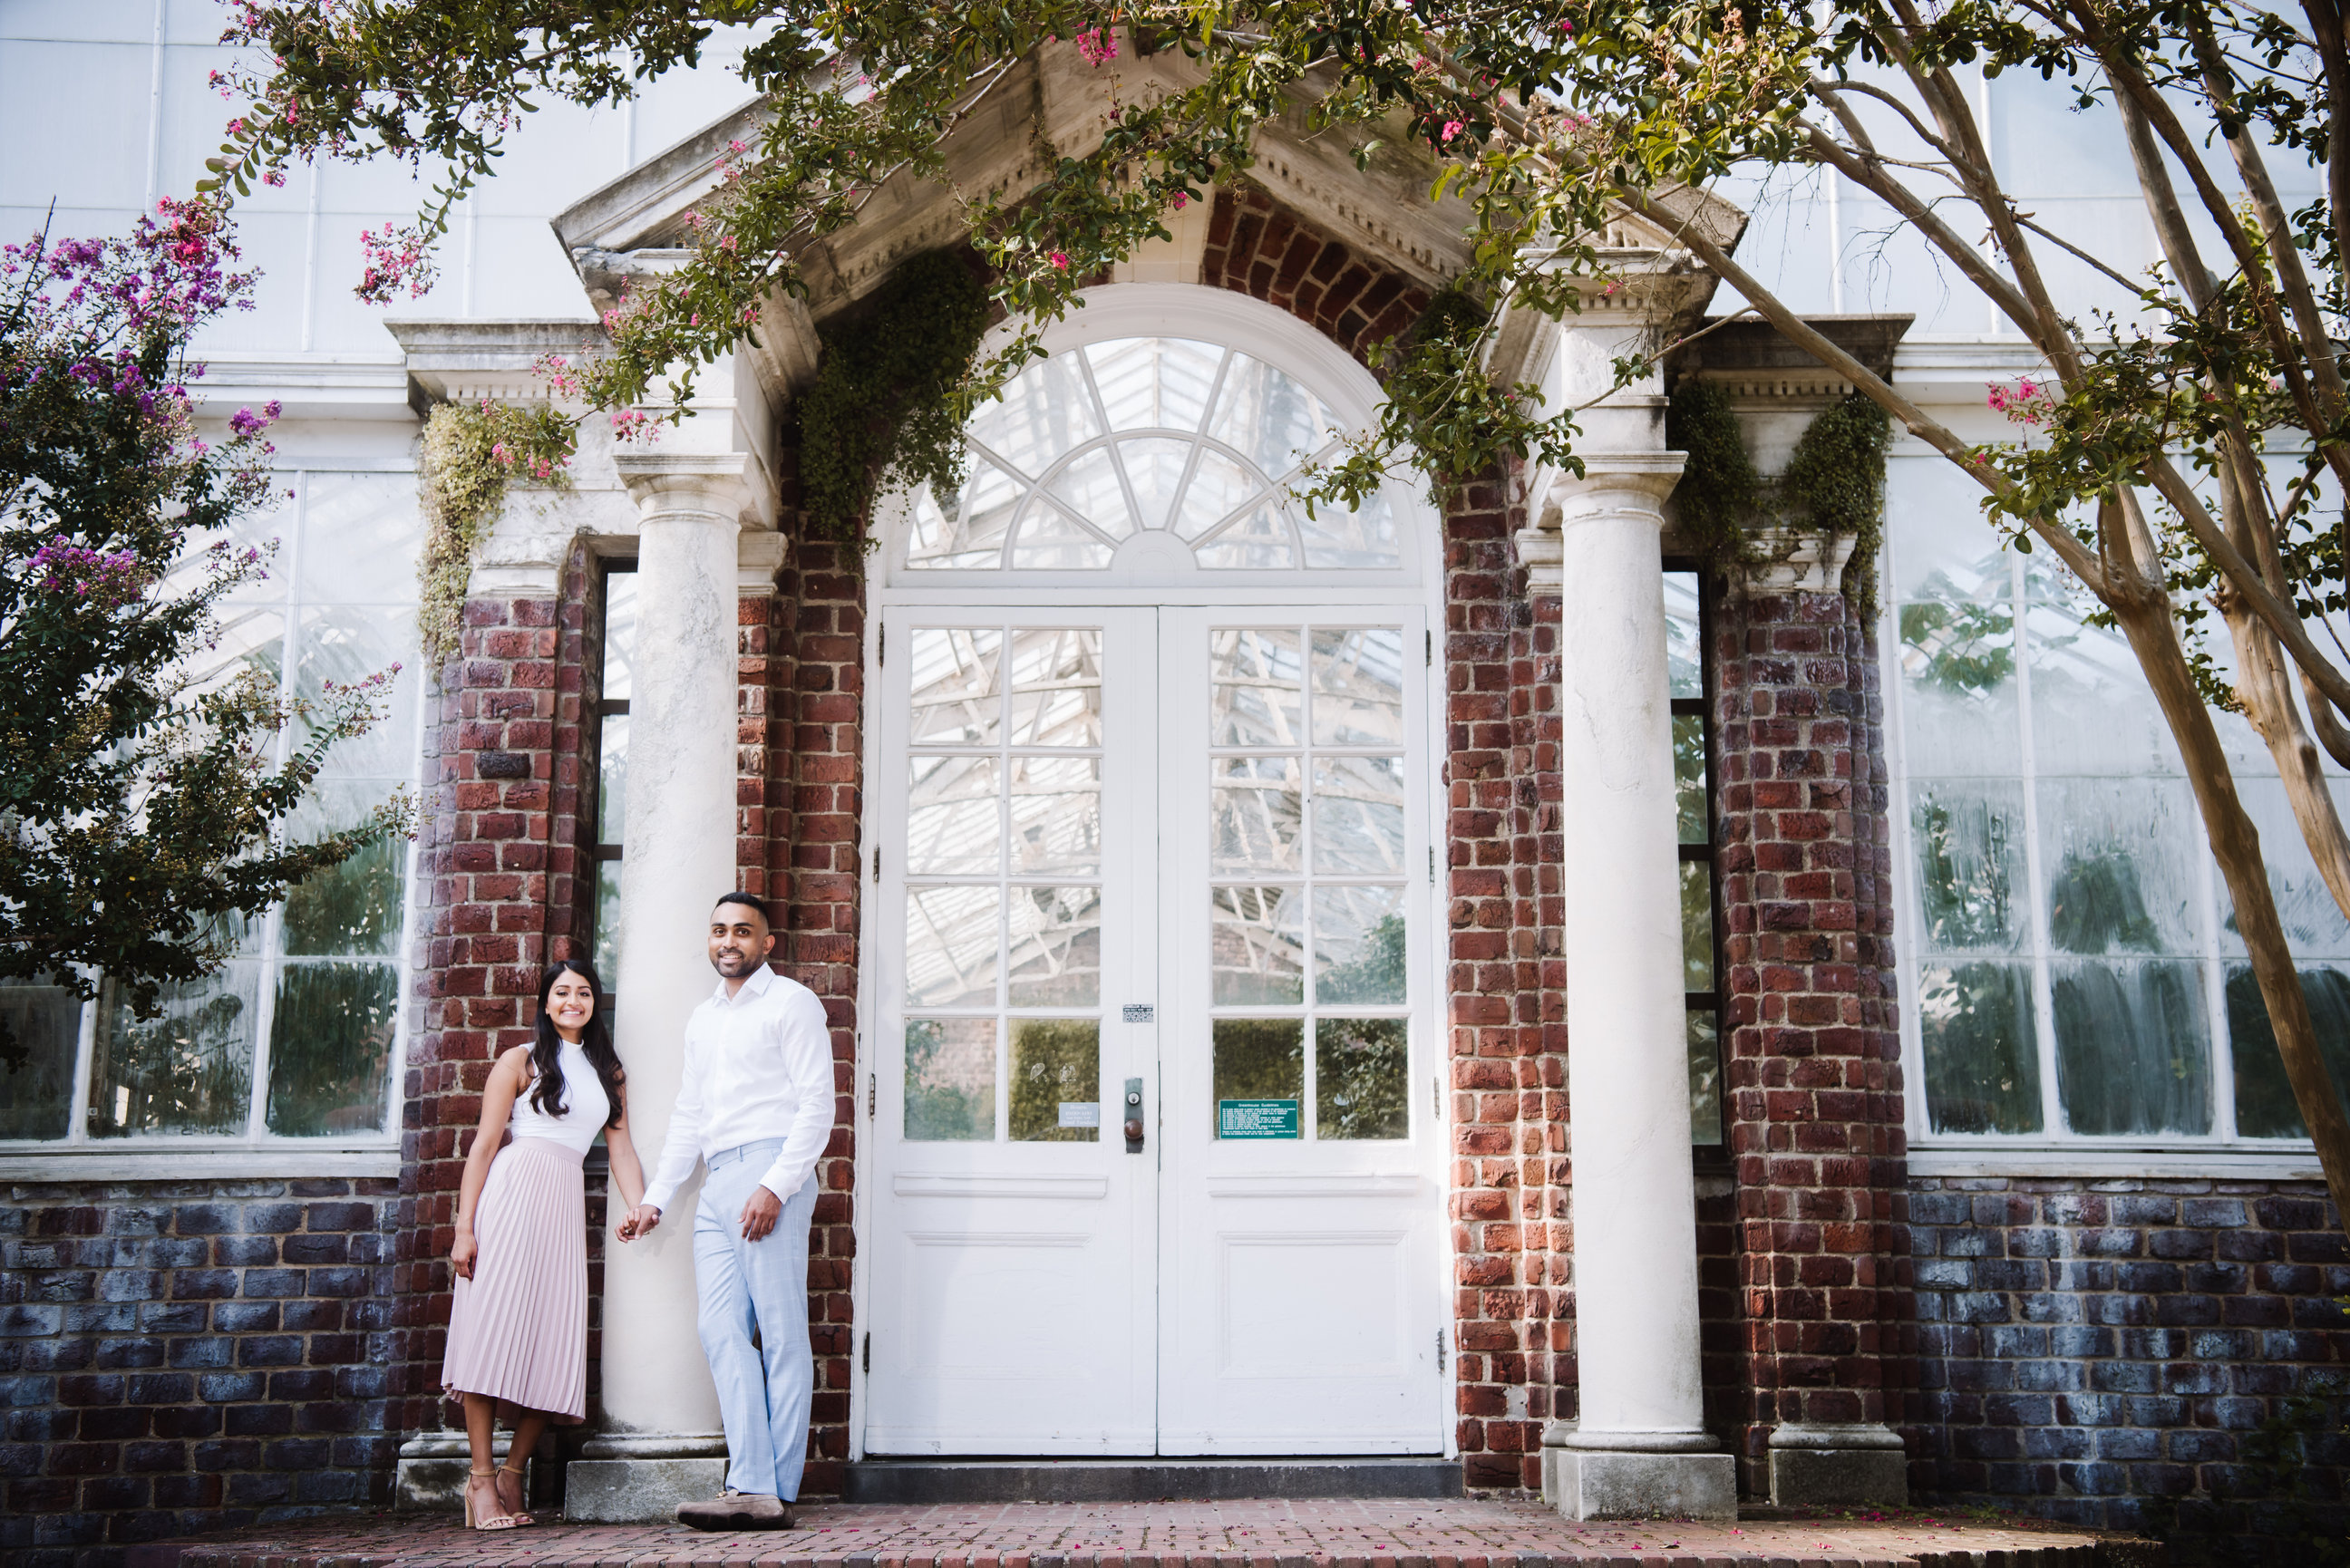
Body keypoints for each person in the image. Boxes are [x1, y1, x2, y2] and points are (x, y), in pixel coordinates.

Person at [618, 892, 833, 1532]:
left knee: (780, 1329)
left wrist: (777, 1184)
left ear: (767, 943)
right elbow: (690, 1115)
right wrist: (656, 1196)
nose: (728, 941)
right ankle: (748, 1482)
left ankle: (778, 1489)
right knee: (719, 1330)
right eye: (718, 930)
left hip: (768, 1171)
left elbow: (817, 1105)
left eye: (742, 930)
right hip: (715, 1181)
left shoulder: (792, 1003)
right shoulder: (703, 1019)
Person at [442, 959, 648, 1530]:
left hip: (562, 1202)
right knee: (490, 1332)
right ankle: (480, 1482)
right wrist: (465, 1228)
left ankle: (512, 1473)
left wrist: (639, 1206)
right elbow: (483, 1146)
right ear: (546, 1000)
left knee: (552, 1342)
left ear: (595, 1003)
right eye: (562, 992)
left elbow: (623, 1151)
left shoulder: (609, 1070)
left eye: (583, 992)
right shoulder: (519, 1060)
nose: (573, 1001)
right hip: (509, 1196)